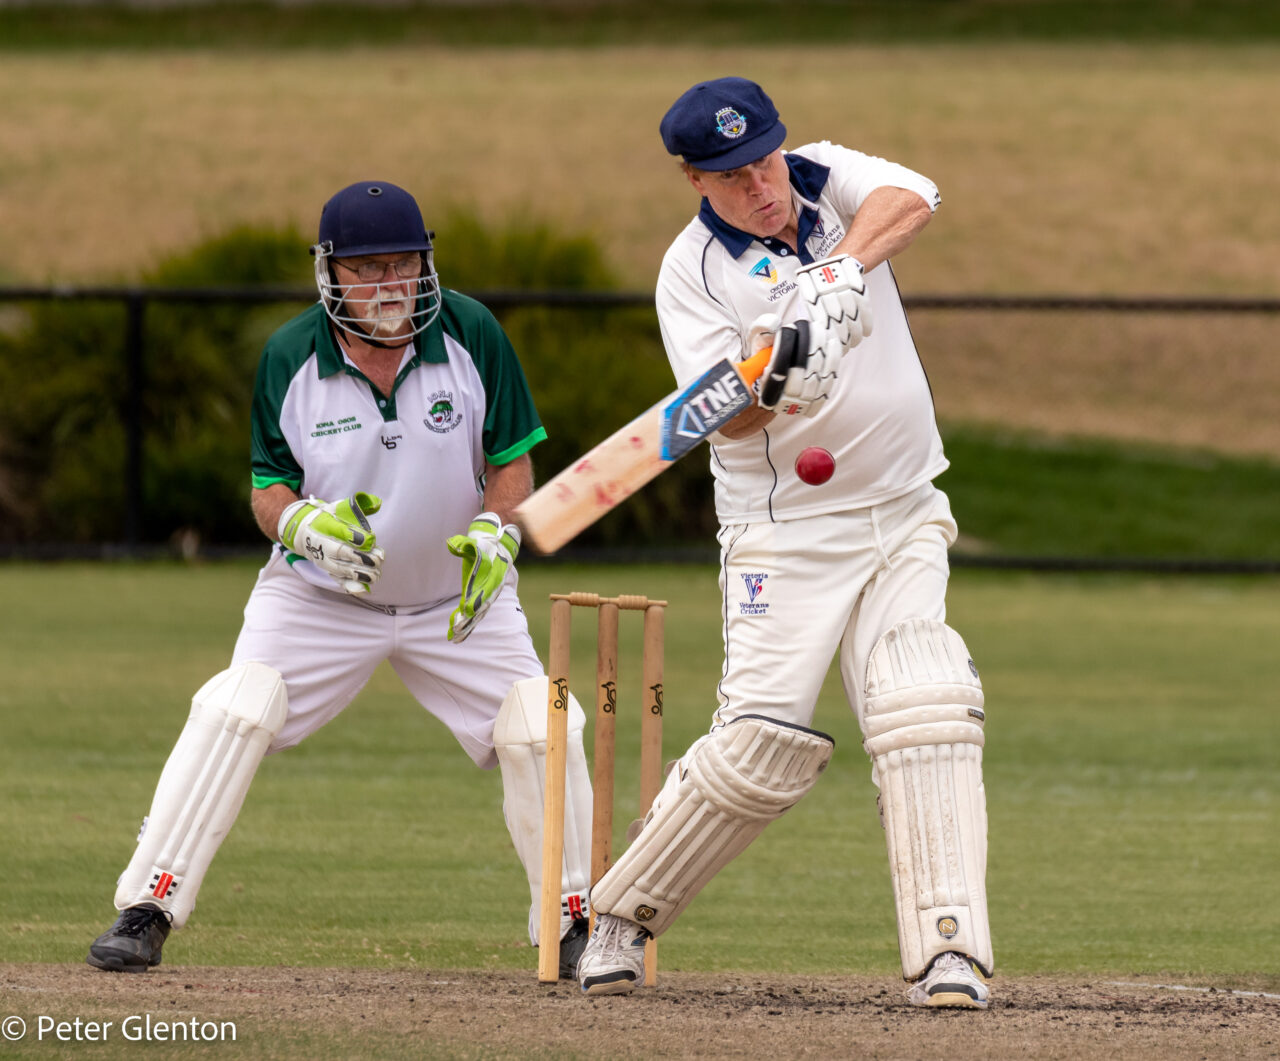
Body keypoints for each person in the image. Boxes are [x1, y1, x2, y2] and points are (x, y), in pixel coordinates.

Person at [86, 180, 595, 978]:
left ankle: (572, 921)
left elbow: (512, 462)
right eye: (367, 269)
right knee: (236, 705)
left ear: (427, 264)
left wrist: (500, 529)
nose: (389, 283)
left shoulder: (472, 332)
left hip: (455, 599)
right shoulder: (291, 354)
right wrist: (300, 525)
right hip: (321, 596)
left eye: (404, 263)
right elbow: (267, 487)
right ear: (330, 273)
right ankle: (148, 905)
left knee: (543, 720)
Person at [575, 78, 993, 1009]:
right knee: (758, 742)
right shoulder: (690, 272)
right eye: (733, 174)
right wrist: (781, 378)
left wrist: (833, 276)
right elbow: (715, 420)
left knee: (924, 700)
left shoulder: (824, 178)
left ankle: (948, 948)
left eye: (764, 157)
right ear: (693, 178)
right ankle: (619, 914)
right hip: (787, 534)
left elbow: (914, 195)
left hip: (903, 508)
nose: (762, 183)